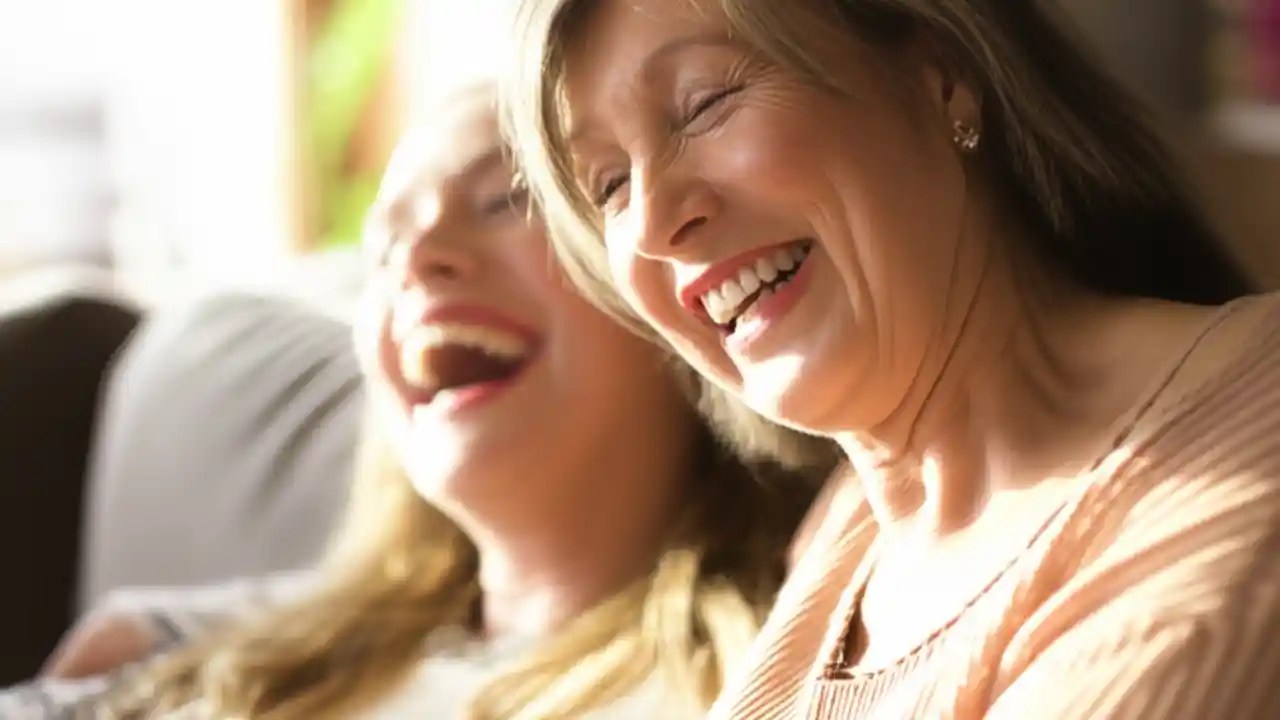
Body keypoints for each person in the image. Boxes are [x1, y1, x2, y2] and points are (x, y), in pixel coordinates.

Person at [503, 0, 1280, 717]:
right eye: (608, 185)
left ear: (941, 78)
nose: (651, 224)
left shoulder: (1252, 427)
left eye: (705, 103)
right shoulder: (845, 532)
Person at [0, 84, 832, 720]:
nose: (420, 258)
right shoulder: (212, 647)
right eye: (385, 244)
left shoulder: (773, 669)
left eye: (506, 200)